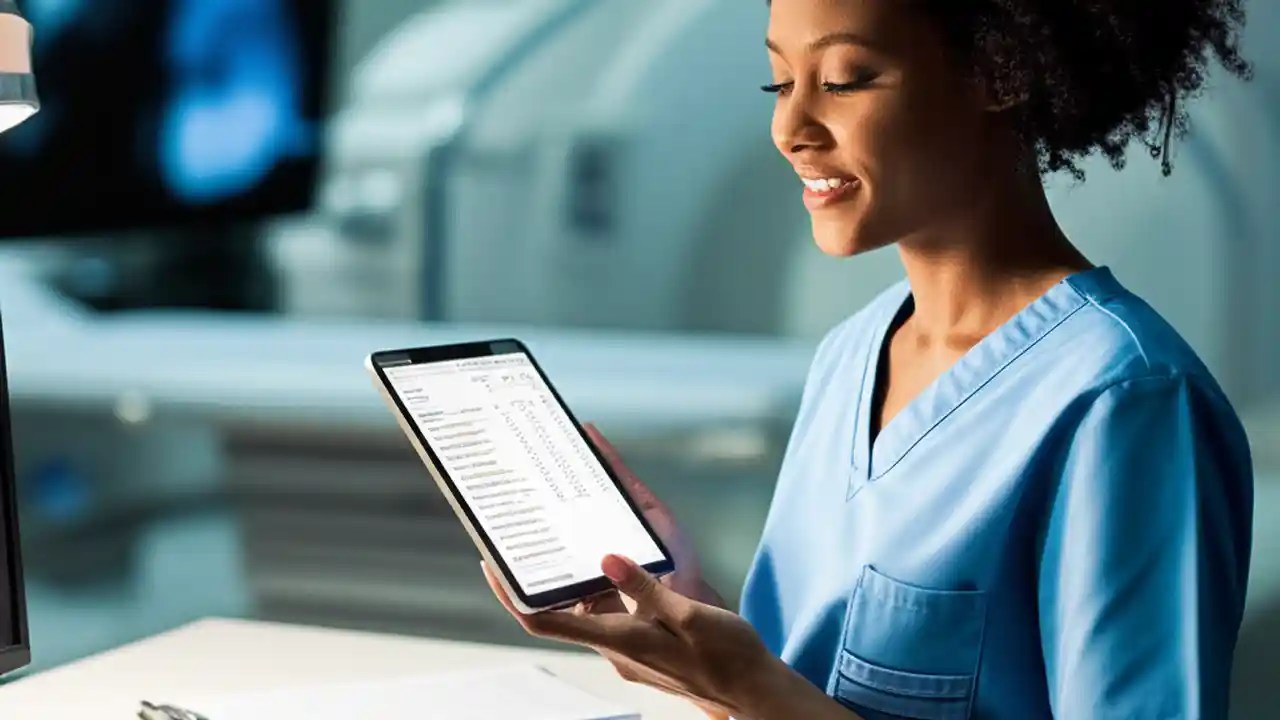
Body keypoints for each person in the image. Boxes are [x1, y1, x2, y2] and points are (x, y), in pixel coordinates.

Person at [482, 1, 1255, 717]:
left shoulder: (1128, 402)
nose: (791, 126)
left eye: (844, 79)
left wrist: (750, 684)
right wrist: (695, 628)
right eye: (779, 81)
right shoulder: (853, 353)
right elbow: (817, 683)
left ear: (1003, 71)